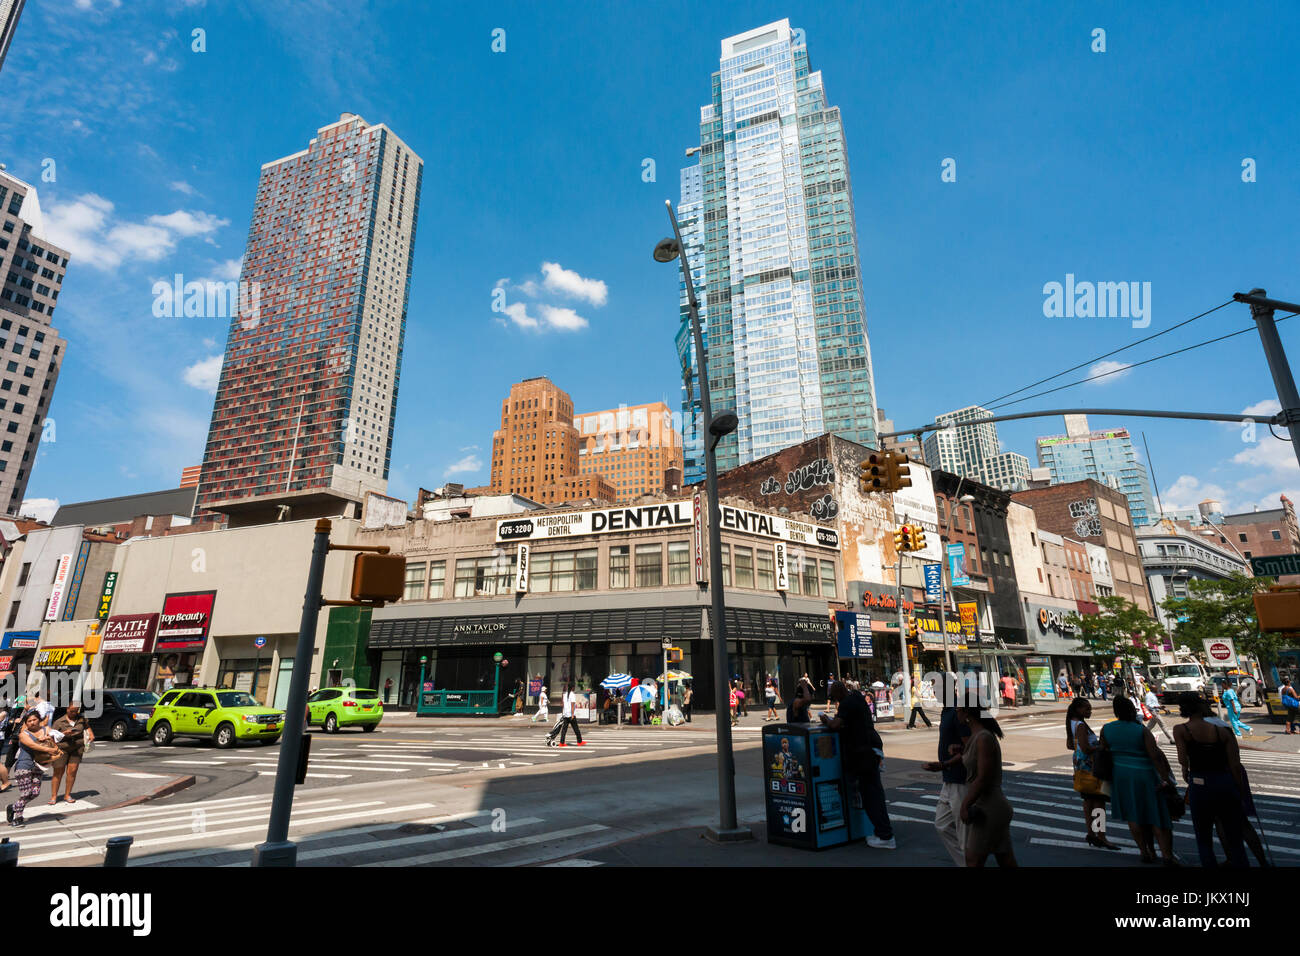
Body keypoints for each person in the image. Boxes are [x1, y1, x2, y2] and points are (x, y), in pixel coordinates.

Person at [1101, 696, 1179, 865]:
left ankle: (1145, 851)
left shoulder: (1107, 729)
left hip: (1121, 775)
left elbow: (1104, 751)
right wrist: (1166, 779)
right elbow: (1155, 756)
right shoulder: (1141, 730)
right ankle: (1167, 855)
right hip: (1145, 774)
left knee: (1134, 815)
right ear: (1131, 710)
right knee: (1156, 815)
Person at [1173, 693, 1249, 867]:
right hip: (1224, 781)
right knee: (1234, 834)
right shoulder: (1221, 731)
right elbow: (1234, 764)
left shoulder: (1181, 730)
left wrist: (1186, 768)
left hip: (1200, 783)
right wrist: (1240, 790)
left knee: (1203, 836)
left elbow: (1182, 760)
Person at [822, 681, 895, 849]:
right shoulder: (857, 697)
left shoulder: (847, 703)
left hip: (863, 754)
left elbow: (835, 725)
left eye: (834, 697)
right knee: (873, 792)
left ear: (839, 693)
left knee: (871, 795)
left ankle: (885, 836)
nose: (835, 701)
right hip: (872, 748)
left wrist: (825, 719)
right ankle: (882, 831)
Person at [956, 706, 1016, 867]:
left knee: (973, 859)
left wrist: (965, 805)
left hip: (989, 808)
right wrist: (948, 760)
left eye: (958, 710)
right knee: (1005, 859)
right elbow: (972, 759)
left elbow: (983, 778)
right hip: (988, 807)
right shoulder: (976, 736)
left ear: (967, 713)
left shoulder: (984, 737)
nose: (956, 714)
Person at [1067, 698, 1120, 850]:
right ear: (1078, 709)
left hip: (1080, 767)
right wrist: (1100, 747)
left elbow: (1071, 745)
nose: (1089, 712)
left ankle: (1091, 833)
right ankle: (1101, 836)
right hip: (1091, 767)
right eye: (1087, 709)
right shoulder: (1081, 725)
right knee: (1099, 804)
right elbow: (1085, 748)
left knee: (1088, 802)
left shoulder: (1072, 722)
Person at [923, 704, 972, 865]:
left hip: (959, 779)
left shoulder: (957, 712)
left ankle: (970, 862)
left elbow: (969, 748)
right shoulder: (946, 711)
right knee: (942, 824)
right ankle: (966, 862)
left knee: (964, 831)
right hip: (948, 778)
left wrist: (945, 764)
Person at [6, 710, 59, 827]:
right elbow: (33, 745)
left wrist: (50, 739)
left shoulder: (46, 730)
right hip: (23, 766)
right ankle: (18, 817)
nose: (32, 722)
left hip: (39, 766)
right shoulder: (23, 734)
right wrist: (49, 750)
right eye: (29, 721)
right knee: (26, 793)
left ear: (39, 720)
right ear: (26, 723)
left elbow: (56, 739)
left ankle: (13, 807)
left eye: (34, 720)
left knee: (35, 793)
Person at [49, 702, 92, 805]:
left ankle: (67, 795)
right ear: (67, 709)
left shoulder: (81, 719)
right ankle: (53, 796)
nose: (73, 713)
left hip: (77, 748)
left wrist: (91, 734)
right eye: (71, 710)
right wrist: (64, 733)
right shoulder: (59, 722)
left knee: (72, 772)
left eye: (75, 711)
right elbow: (51, 737)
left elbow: (87, 727)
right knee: (58, 772)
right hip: (62, 748)